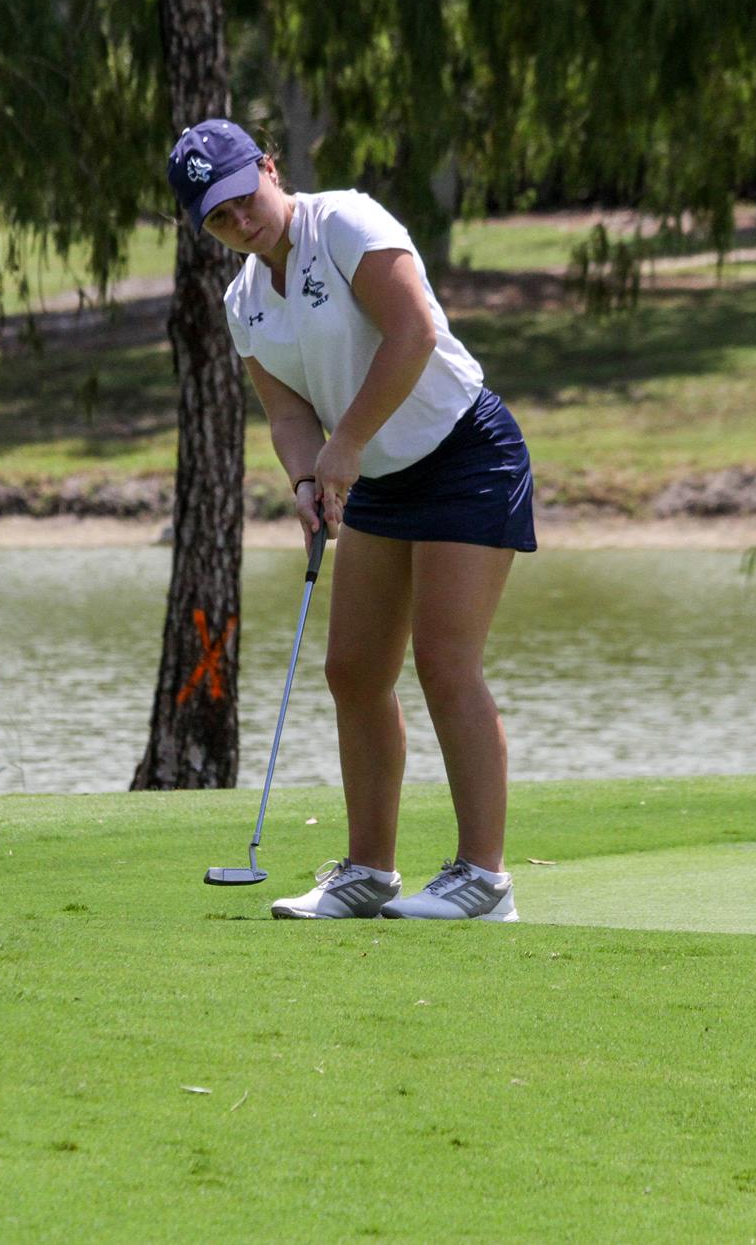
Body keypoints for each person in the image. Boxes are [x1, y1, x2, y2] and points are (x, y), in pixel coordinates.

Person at [167, 118, 535, 922]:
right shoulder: (244, 301)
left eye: (241, 198)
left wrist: (349, 445)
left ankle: (485, 878)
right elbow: (286, 409)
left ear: (268, 166)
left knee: (445, 660)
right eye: (218, 219)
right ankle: (369, 872)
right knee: (354, 671)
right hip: (373, 475)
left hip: (465, 452)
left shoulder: (347, 223)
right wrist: (307, 475)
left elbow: (413, 334)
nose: (239, 222)